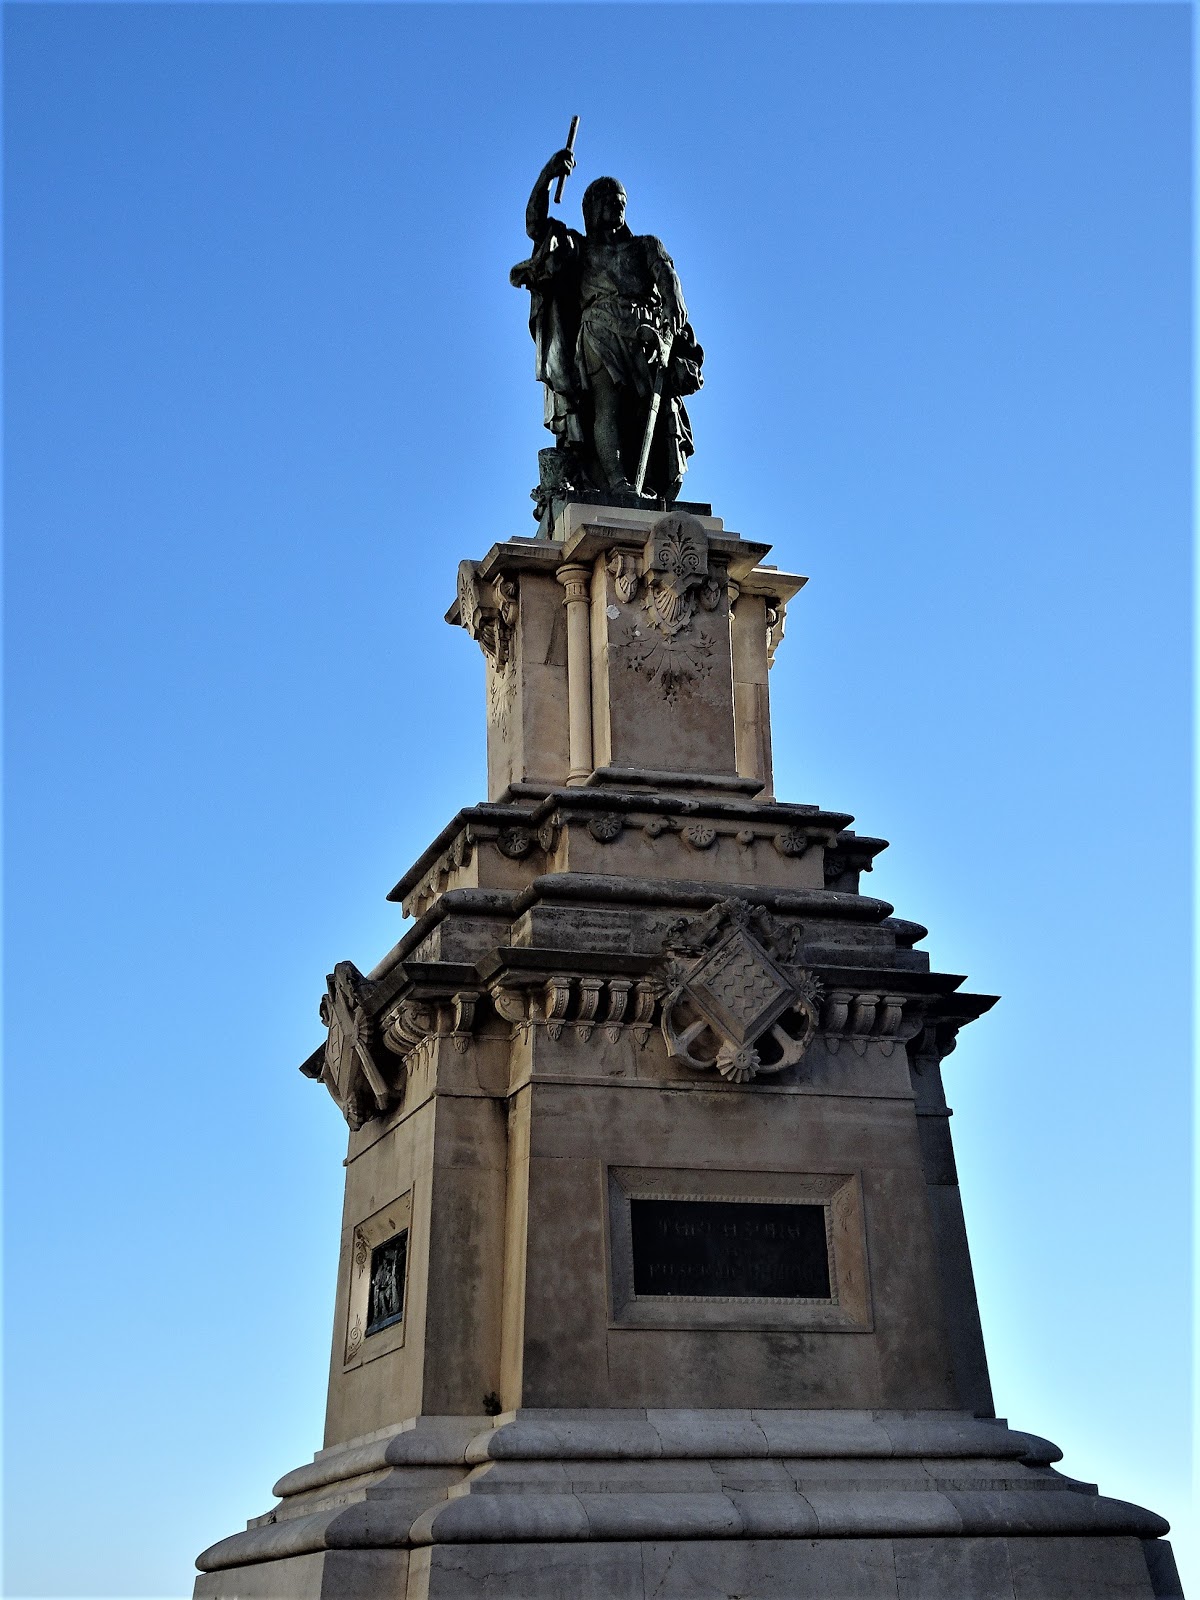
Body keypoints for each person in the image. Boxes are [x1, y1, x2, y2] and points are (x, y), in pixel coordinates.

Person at [511, 147, 703, 505]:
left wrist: (674, 299)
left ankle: (652, 484)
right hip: (599, 331)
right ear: (591, 209)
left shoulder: (645, 245)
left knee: (654, 411)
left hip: (646, 335)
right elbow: (536, 227)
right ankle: (617, 482)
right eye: (607, 201)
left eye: (620, 201)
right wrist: (546, 176)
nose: (616, 207)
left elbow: (666, 272)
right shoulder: (579, 250)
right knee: (607, 405)